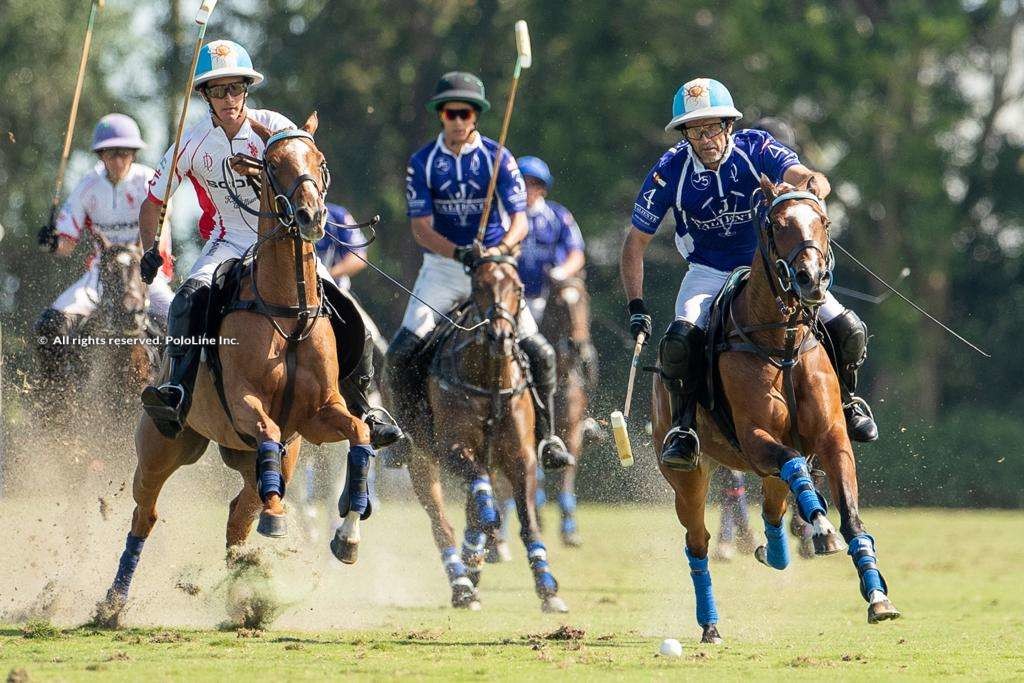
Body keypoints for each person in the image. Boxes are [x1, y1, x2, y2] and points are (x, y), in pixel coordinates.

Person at [136, 40, 399, 447]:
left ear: (246, 89)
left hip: (284, 242)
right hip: (226, 241)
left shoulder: (274, 126)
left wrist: (311, 208)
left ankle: (365, 405)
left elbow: (311, 166)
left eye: (235, 88)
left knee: (350, 314)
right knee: (187, 299)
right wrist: (150, 248)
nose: (228, 99)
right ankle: (178, 391)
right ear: (205, 95)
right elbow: (154, 202)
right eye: (218, 90)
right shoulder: (190, 143)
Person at [620, 77, 878, 471]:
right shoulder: (669, 170)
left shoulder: (755, 147)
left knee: (849, 328)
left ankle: (848, 401)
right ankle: (685, 427)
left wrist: (813, 184)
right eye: (694, 130)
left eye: (712, 128)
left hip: (771, 269)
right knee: (679, 340)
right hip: (707, 271)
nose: (705, 139)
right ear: (684, 134)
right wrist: (636, 305)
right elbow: (634, 243)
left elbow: (802, 175)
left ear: (728, 126)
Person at [385, 71, 573, 470]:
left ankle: (548, 437)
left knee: (539, 350)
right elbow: (421, 229)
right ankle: (404, 434)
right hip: (444, 270)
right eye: (450, 112)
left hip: (494, 271)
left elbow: (520, 221)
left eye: (464, 112)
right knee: (401, 353)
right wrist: (458, 253)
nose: (457, 120)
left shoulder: (498, 157)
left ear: (476, 116)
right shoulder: (423, 162)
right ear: (441, 115)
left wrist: (498, 251)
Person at [34, 113, 173, 390]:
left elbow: (163, 229)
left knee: (187, 321)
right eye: (111, 154)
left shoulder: (149, 181)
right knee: (50, 325)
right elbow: (67, 245)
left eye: (124, 153)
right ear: (101, 155)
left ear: (133, 153)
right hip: (101, 274)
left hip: (146, 275)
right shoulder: (87, 186)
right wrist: (52, 242)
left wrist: (155, 259)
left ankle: (180, 394)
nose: (118, 161)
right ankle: (58, 402)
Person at [516, 156, 586, 322]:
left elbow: (576, 253)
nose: (528, 189)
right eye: (523, 183)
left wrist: (563, 271)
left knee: (572, 296)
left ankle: (581, 345)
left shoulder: (558, 215)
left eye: (534, 184)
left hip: (550, 293)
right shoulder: (504, 215)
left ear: (543, 188)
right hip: (513, 292)